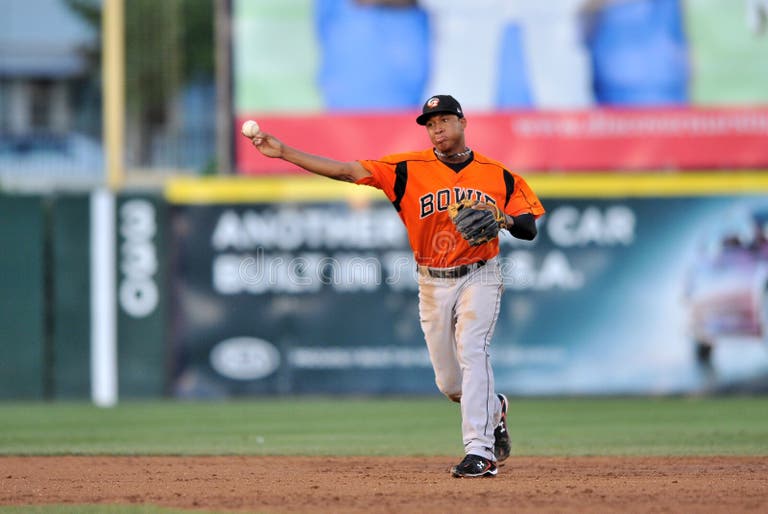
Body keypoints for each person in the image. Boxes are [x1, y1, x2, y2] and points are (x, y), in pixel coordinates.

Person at [243, 95, 545, 478]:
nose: (437, 129)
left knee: (473, 350)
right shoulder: (405, 168)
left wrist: (502, 219)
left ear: (463, 121)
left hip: (480, 274)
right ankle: (493, 408)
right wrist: (284, 151)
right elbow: (346, 171)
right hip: (432, 281)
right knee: (451, 384)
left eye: (444, 120)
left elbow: (529, 228)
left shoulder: (498, 174)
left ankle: (479, 452)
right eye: (430, 123)